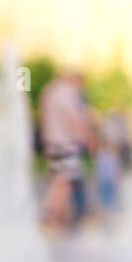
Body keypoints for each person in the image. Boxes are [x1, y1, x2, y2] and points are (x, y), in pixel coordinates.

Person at [38, 70, 96, 234]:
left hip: (52, 143)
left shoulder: (50, 91)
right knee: (64, 183)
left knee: (60, 181)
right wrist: (88, 138)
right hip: (66, 144)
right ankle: (53, 220)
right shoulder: (67, 92)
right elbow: (72, 118)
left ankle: (61, 222)